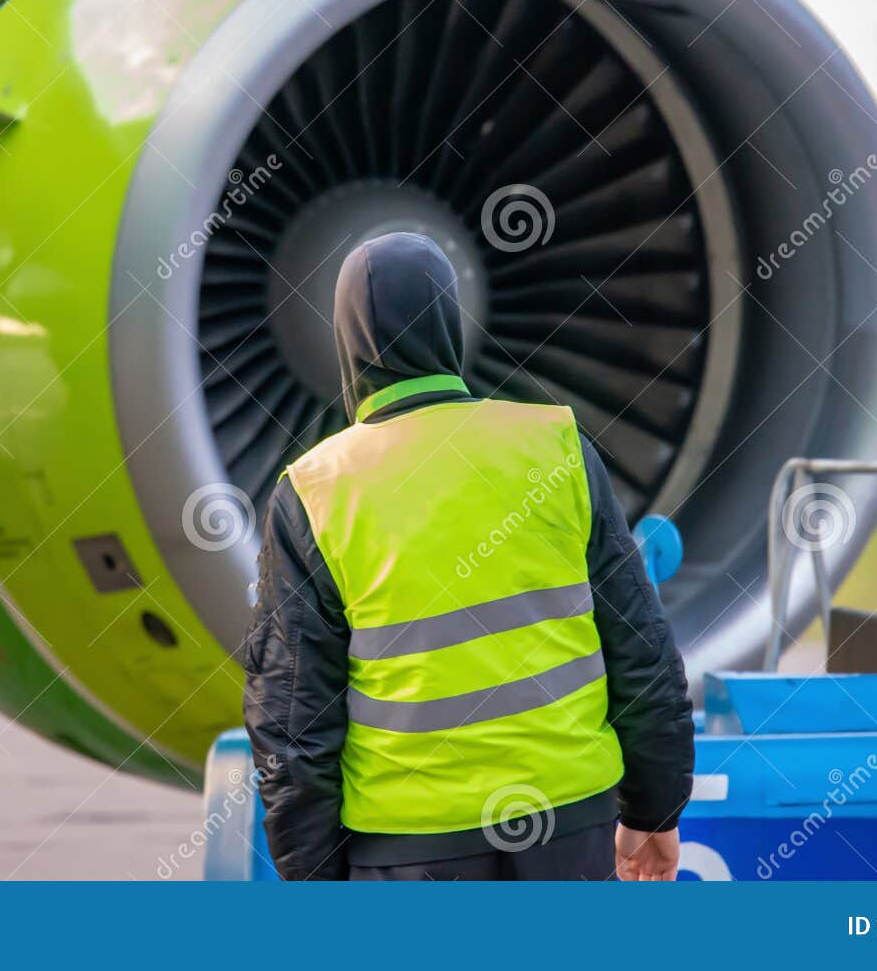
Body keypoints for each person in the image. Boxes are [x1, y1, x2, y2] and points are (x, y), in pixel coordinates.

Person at [242, 232, 694, 881]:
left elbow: (291, 719)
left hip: (411, 851)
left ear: (347, 347)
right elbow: (639, 647)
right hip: (568, 826)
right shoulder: (555, 444)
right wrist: (656, 809)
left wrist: (313, 877)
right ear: (452, 324)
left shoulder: (313, 491)